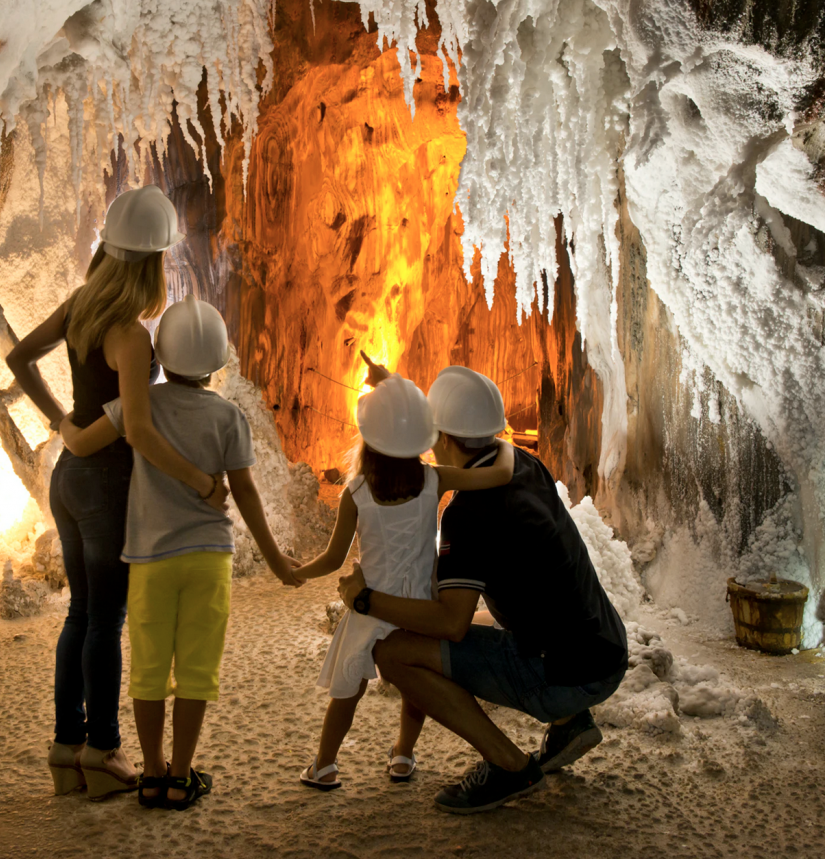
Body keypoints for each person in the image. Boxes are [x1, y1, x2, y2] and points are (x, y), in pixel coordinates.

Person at [6, 186, 230, 801]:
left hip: (69, 480)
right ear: (152, 263)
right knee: (105, 620)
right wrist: (202, 482)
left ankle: (66, 746)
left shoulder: (79, 307)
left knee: (81, 614)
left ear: (108, 250)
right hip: (105, 484)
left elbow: (20, 359)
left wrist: (63, 422)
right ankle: (103, 750)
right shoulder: (130, 337)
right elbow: (140, 429)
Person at [338, 363, 628, 814]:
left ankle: (510, 765)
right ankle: (570, 723)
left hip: (566, 674)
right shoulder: (523, 464)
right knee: (507, 614)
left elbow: (450, 624)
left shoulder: (468, 514)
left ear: (443, 437)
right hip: (605, 649)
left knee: (393, 652)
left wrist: (366, 599)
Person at [61, 294, 302, 810]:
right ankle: (181, 775)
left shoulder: (138, 406)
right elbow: (246, 494)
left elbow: (79, 444)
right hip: (208, 559)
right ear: (216, 363)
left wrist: (61, 422)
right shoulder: (229, 417)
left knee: (148, 669)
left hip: (150, 560)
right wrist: (276, 560)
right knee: (196, 669)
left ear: (161, 359)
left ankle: (150, 774)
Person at [293, 374, 515, 791]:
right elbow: (501, 475)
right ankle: (402, 755)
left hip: (371, 606)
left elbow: (334, 559)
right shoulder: (434, 479)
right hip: (419, 605)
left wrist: (297, 572)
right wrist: (501, 443)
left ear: (368, 440)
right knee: (415, 687)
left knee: (347, 693)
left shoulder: (356, 492)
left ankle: (324, 765)